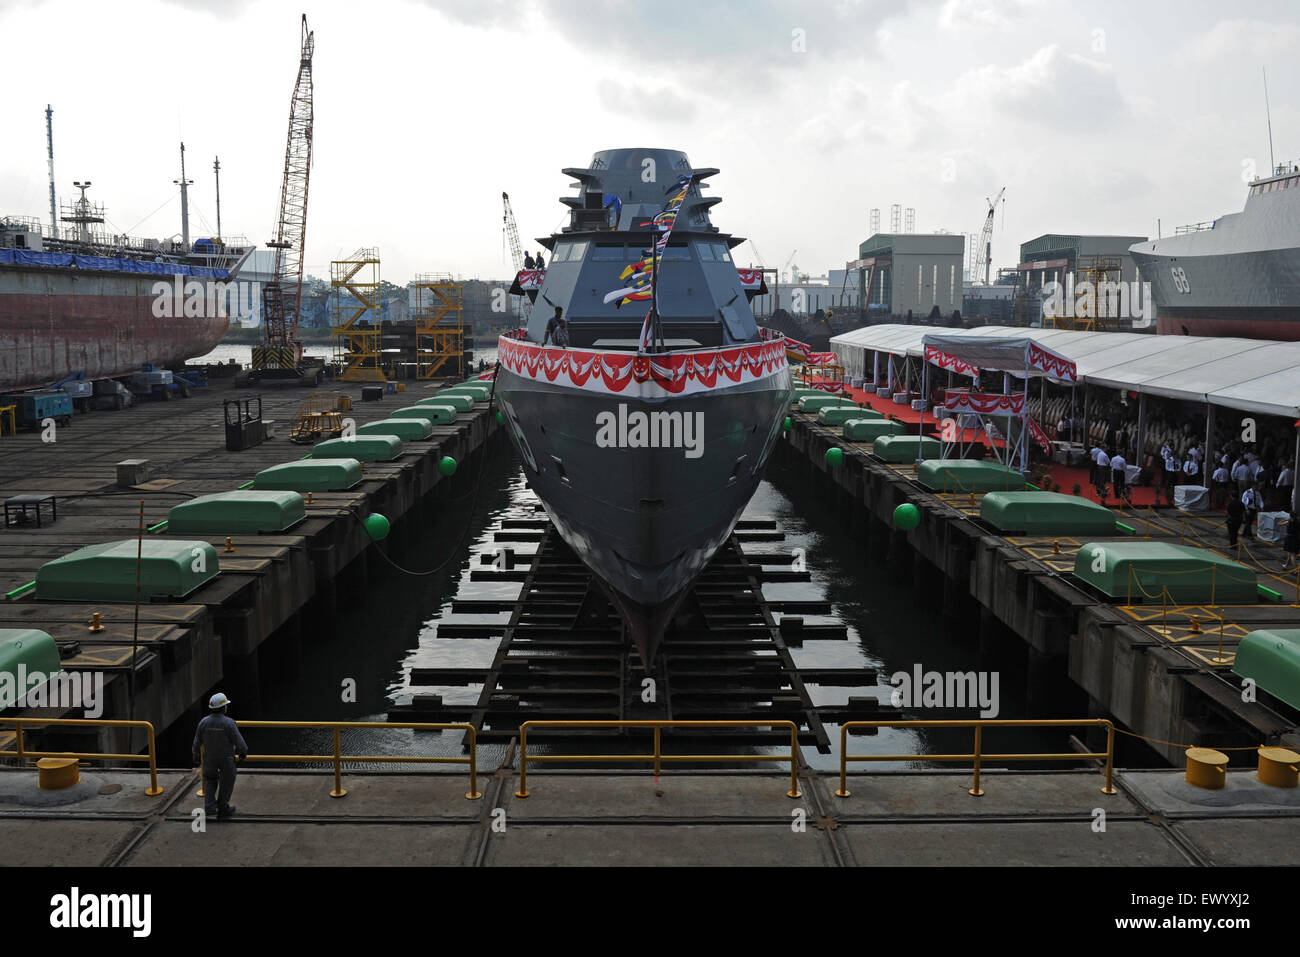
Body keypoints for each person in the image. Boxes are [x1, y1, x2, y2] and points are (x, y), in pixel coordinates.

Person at [192, 692, 248, 821]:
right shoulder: (229, 723)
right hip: (226, 759)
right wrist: (243, 752)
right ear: (223, 708)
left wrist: (195, 754)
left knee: (210, 780)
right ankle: (223, 808)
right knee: (227, 782)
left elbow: (196, 741)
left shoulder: (203, 722)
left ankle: (210, 807)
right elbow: (239, 741)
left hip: (209, 759)